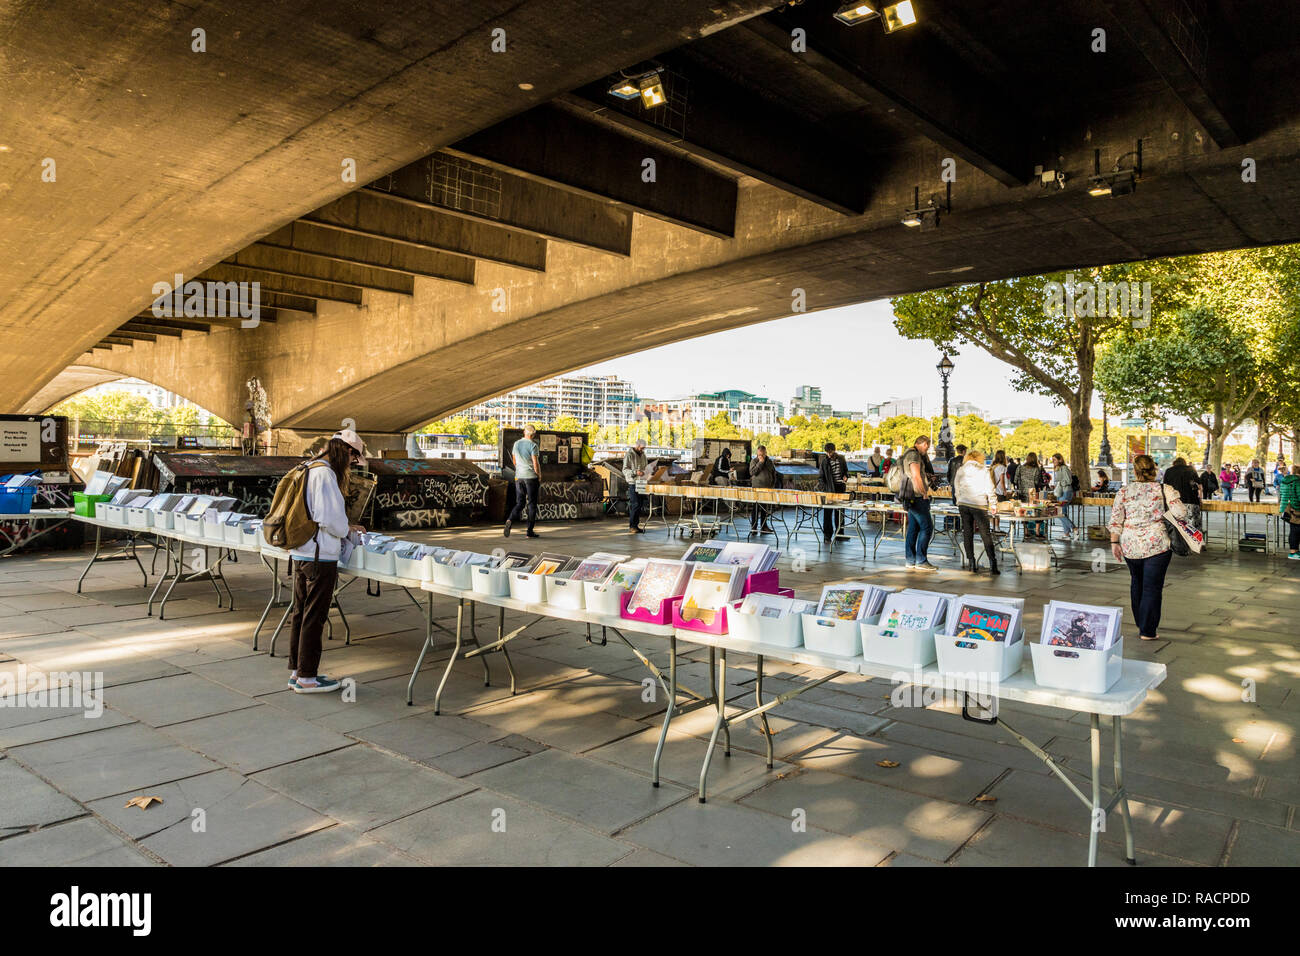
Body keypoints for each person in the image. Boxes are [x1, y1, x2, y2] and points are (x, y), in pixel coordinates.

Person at [288, 430, 366, 693]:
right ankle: (308, 678)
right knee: (315, 615)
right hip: (320, 555)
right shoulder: (325, 474)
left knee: (301, 612)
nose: (354, 465)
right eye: (355, 459)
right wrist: (348, 530)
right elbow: (330, 519)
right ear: (347, 451)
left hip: (301, 550)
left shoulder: (309, 467)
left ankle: (297, 672)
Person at [1109, 454, 1187, 641]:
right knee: (1152, 587)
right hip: (1157, 544)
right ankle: (1147, 630)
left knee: (1136, 582)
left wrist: (1114, 543)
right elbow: (1181, 513)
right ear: (1154, 470)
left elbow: (1116, 519)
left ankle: (1140, 621)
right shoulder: (1164, 489)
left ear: (1134, 471)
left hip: (1130, 544)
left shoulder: (1124, 491)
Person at [954, 448, 999, 575]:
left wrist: (959, 500)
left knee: (967, 533)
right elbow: (990, 488)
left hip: (964, 503)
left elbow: (956, 487)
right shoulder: (984, 470)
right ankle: (992, 563)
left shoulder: (961, 470)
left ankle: (972, 562)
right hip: (979, 504)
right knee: (986, 534)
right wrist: (993, 504)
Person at [898, 435, 937, 570]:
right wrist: (924, 493)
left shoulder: (908, 454)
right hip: (917, 496)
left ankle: (910, 560)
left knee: (913, 529)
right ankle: (921, 560)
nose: (927, 449)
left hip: (910, 496)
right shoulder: (914, 455)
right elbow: (915, 476)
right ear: (924, 444)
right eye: (927, 446)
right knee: (927, 527)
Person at [504, 425, 542, 538]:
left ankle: (510, 519)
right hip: (530, 477)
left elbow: (514, 461)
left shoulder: (516, 444)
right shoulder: (533, 445)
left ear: (524, 432)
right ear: (533, 434)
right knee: (532, 505)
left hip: (519, 477)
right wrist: (539, 475)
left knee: (520, 503)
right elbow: (535, 463)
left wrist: (520, 469)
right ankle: (529, 531)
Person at [817, 441, 848, 543]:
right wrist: (824, 488)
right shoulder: (824, 461)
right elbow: (821, 477)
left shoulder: (842, 459)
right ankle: (827, 536)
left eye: (831, 452)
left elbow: (846, 471)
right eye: (828, 453)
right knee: (827, 513)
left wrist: (845, 477)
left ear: (834, 450)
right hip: (829, 490)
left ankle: (840, 534)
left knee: (840, 513)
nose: (829, 454)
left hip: (840, 488)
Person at [1163, 456, 1203, 530]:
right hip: (1191, 500)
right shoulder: (1191, 469)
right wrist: (1200, 498)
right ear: (1184, 463)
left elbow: (1165, 487)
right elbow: (1199, 484)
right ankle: (1193, 541)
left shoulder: (1169, 471)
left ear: (1174, 464)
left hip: (1175, 503)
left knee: (1177, 528)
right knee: (1192, 528)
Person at [1013, 452, 1047, 539]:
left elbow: (1015, 480)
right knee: (1038, 511)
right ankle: (1037, 531)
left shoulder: (1020, 467)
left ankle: (1026, 531)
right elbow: (1036, 482)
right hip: (1033, 493)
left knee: (1024, 512)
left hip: (1022, 493)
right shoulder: (1037, 469)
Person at [748, 444, 778, 533]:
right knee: (756, 508)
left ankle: (764, 526)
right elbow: (752, 472)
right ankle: (754, 527)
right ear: (757, 453)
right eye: (759, 455)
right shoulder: (754, 461)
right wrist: (760, 462)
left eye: (762, 455)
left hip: (767, 488)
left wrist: (772, 484)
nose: (761, 456)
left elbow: (773, 473)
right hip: (757, 488)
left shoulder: (769, 461)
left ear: (765, 453)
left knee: (765, 508)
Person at [622, 438, 649, 534]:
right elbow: (625, 470)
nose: (642, 450)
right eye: (641, 448)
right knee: (635, 504)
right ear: (637, 446)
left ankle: (636, 526)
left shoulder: (643, 455)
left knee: (640, 504)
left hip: (642, 482)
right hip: (633, 483)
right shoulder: (629, 455)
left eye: (644, 449)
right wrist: (635, 472)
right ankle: (632, 526)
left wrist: (648, 471)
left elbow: (646, 467)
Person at [1048, 453, 1077, 540]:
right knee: (1062, 513)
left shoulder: (1064, 468)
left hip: (1065, 492)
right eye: (1052, 460)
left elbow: (1068, 480)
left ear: (1060, 459)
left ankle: (1074, 528)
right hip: (1061, 492)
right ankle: (1066, 534)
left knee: (1059, 513)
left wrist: (1059, 484)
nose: (1053, 461)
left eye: (1054, 460)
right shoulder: (1058, 469)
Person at [1279, 464, 1300, 560]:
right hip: (1296, 508)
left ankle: (1293, 551)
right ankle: (1294, 552)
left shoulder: (1285, 480)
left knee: (1293, 530)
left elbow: (1281, 494)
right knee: (1296, 530)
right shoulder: (1298, 481)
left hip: (1286, 509)